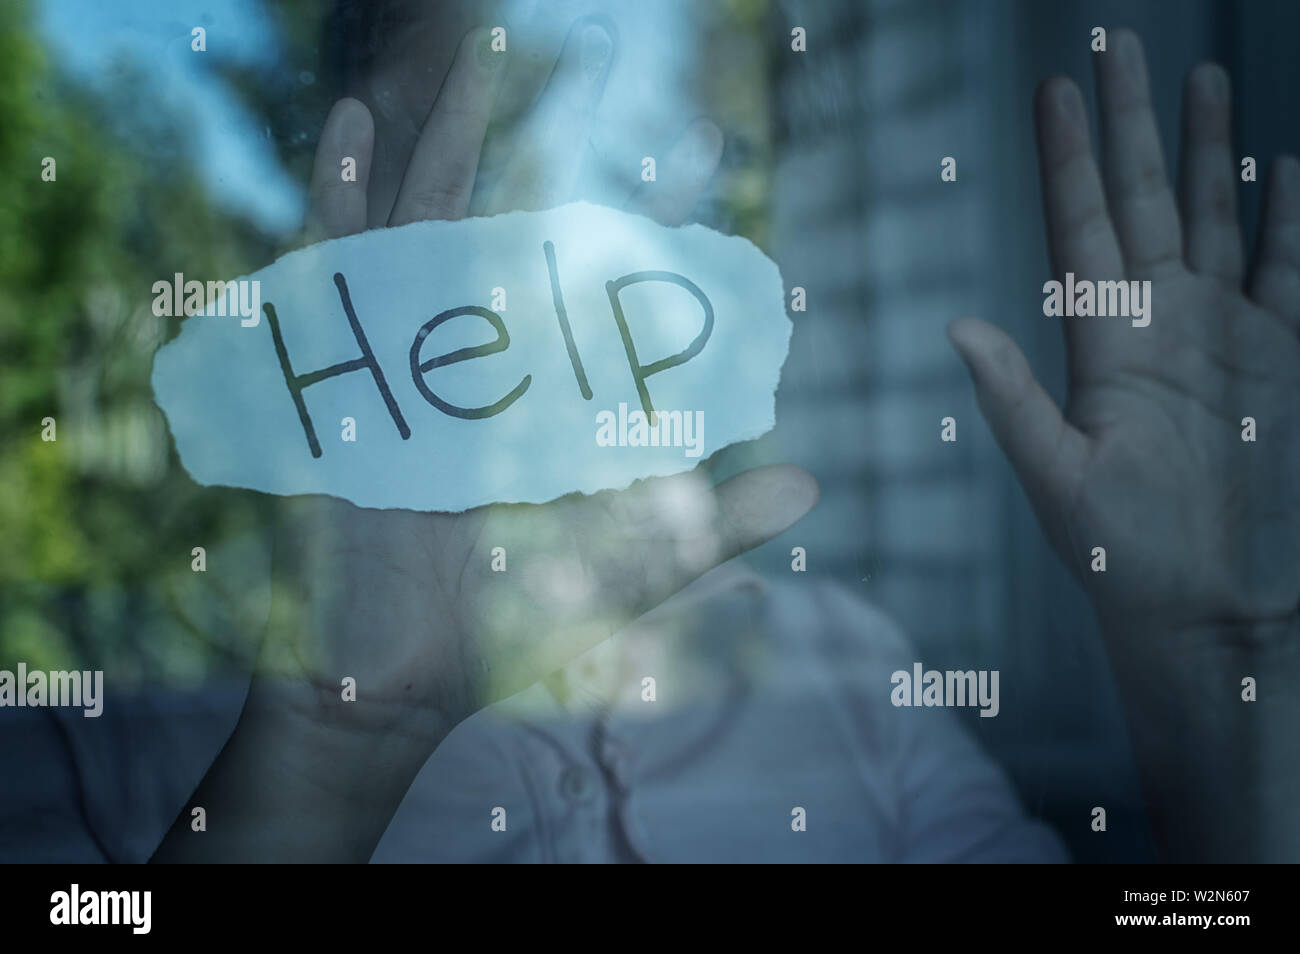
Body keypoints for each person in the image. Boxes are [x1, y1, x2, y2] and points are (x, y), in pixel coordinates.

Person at [10, 6, 1299, 863]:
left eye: (637, 190)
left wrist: (1217, 683)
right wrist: (326, 764)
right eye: (465, 196)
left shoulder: (840, 667)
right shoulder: (119, 738)